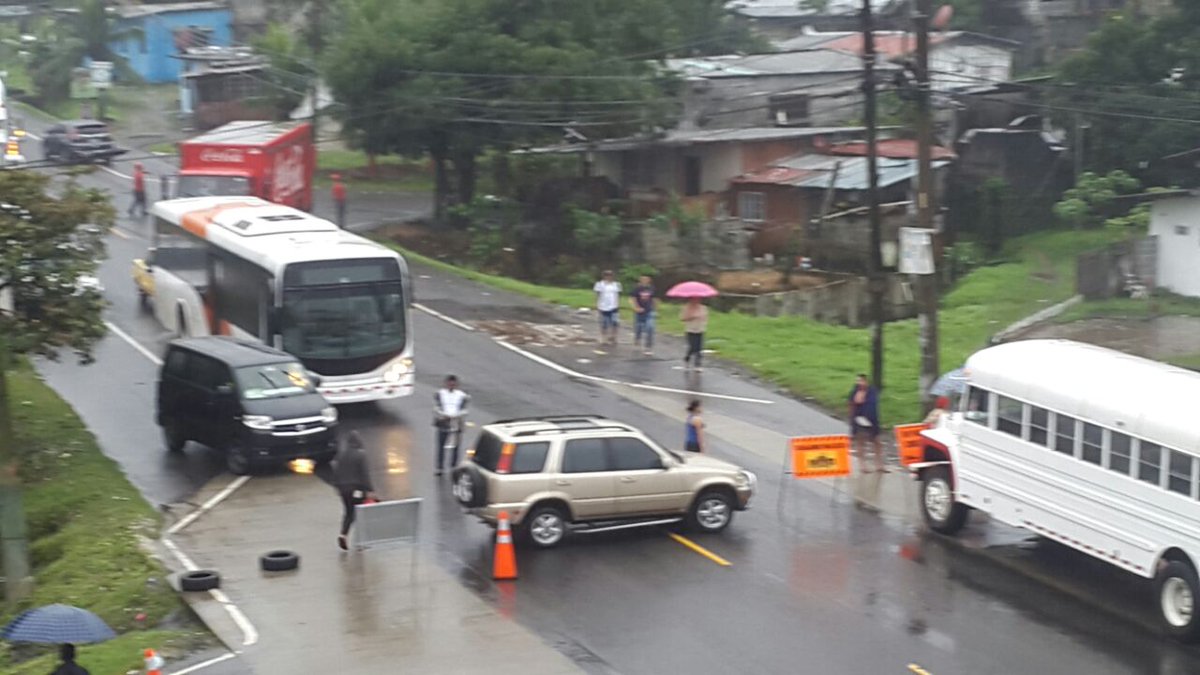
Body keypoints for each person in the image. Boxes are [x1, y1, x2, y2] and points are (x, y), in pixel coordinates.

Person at [332, 431, 375, 551]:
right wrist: (370, 489)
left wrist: (337, 486)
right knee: (360, 514)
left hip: (343, 489)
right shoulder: (360, 455)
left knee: (348, 512)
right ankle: (361, 542)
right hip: (356, 489)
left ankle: (343, 535)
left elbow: (335, 472)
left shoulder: (340, 455)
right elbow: (364, 474)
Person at [434, 374, 470, 476]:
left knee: (455, 446)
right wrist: (442, 415)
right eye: (449, 384)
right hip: (443, 422)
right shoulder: (440, 394)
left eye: (453, 384)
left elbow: (465, 410)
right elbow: (436, 408)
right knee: (441, 446)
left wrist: (456, 416)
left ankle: (454, 467)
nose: (451, 386)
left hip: (456, 423)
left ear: (456, 385)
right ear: (446, 384)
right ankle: (440, 467)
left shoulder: (462, 396)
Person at [848, 374, 884, 473]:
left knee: (877, 442)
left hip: (872, 420)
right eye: (858, 381)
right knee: (861, 442)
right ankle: (862, 466)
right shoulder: (854, 392)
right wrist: (851, 419)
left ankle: (879, 465)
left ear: (866, 381)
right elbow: (852, 403)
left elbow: (870, 403)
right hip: (858, 420)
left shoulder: (872, 392)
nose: (859, 383)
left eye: (861, 381)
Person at [629, 274, 656, 355]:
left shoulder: (652, 288)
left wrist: (655, 309)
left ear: (649, 280)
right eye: (643, 279)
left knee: (650, 328)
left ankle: (648, 347)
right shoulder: (637, 288)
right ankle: (637, 340)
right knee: (638, 328)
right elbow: (632, 298)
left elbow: (655, 299)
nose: (644, 280)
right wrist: (636, 307)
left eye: (646, 279)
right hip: (639, 312)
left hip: (649, 311)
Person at [593, 270, 621, 345]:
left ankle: (614, 336)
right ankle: (603, 337)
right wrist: (597, 305)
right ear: (604, 276)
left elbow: (617, 295)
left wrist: (618, 304)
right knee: (604, 323)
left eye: (610, 275)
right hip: (603, 306)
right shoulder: (600, 284)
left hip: (614, 306)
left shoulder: (616, 284)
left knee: (615, 322)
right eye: (607, 275)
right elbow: (597, 295)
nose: (609, 277)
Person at [681, 297, 709, 371]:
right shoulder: (687, 307)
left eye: (698, 299)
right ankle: (687, 358)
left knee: (699, 348)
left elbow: (705, 317)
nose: (696, 301)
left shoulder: (703, 308)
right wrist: (692, 316)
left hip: (700, 330)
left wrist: (704, 322)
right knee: (692, 347)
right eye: (694, 299)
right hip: (690, 330)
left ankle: (698, 364)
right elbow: (683, 318)